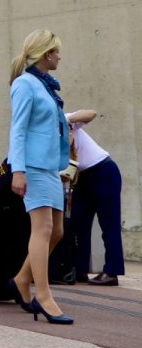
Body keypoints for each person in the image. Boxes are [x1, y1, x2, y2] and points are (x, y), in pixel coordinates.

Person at [8, 30, 74, 324]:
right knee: (43, 229)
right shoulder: (25, 84)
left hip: (50, 167)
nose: (60, 56)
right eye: (57, 51)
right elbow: (18, 129)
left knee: (57, 231)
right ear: (47, 54)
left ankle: (22, 279)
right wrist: (18, 170)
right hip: (33, 167)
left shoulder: (44, 85)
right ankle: (44, 296)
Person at [67, 108, 126, 286]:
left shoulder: (62, 121)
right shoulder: (42, 135)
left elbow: (91, 113)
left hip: (103, 171)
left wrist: (67, 119)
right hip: (81, 178)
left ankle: (112, 272)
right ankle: (80, 270)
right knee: (78, 223)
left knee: (109, 224)